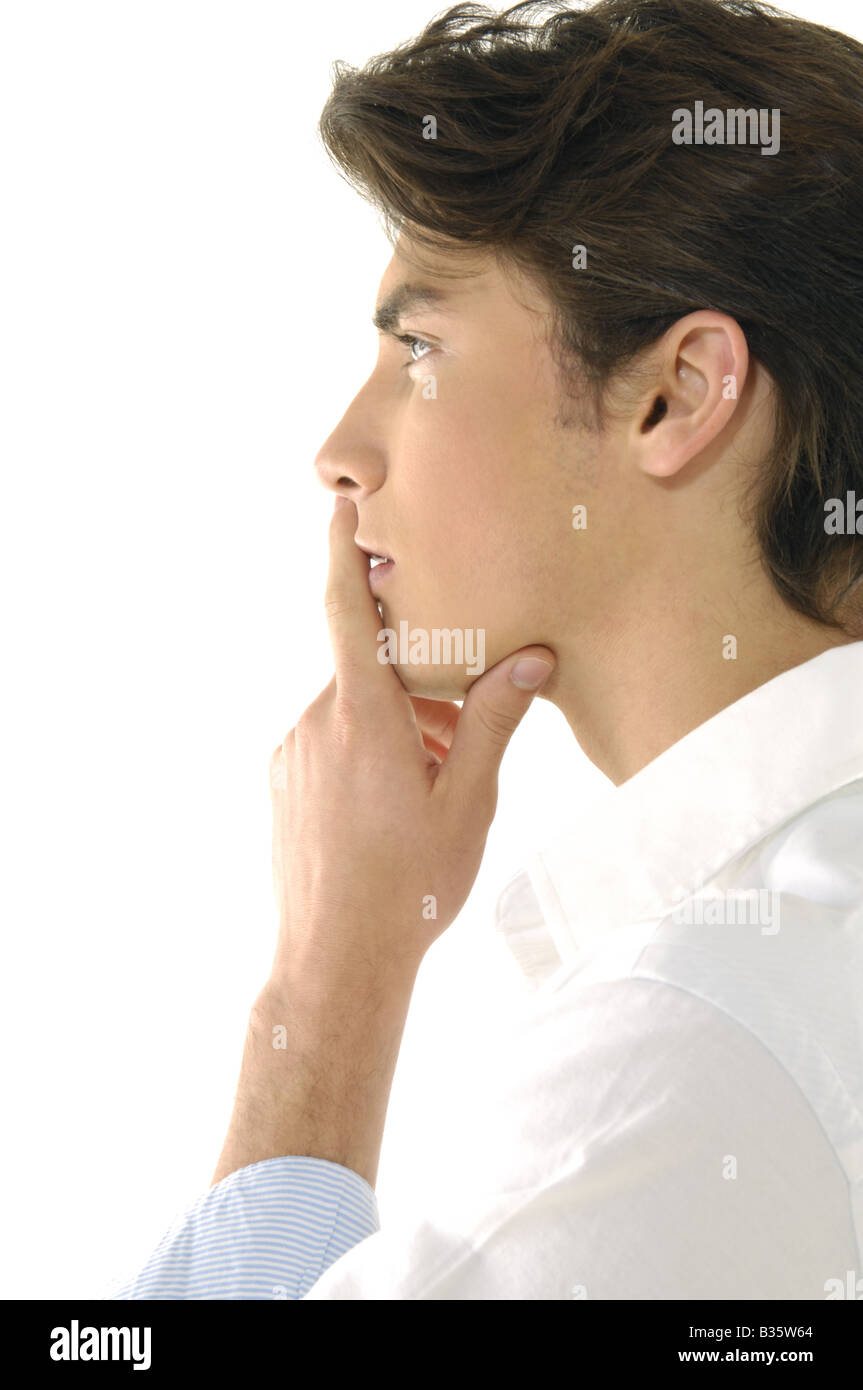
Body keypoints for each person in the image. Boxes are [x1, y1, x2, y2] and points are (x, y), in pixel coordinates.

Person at [107, 0, 863, 1300]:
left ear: (677, 395)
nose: (341, 449)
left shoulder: (680, 1071)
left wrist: (328, 982)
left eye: (418, 347)